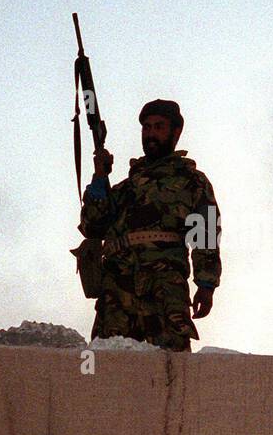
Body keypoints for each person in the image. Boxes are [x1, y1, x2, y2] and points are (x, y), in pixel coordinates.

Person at [79, 99, 220, 351]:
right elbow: (92, 225)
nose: (151, 133)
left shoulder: (191, 181)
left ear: (175, 132)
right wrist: (100, 177)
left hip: (164, 287)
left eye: (158, 127)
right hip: (118, 290)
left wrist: (206, 284)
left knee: (172, 368)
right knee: (109, 369)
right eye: (146, 127)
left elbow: (205, 233)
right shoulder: (124, 188)